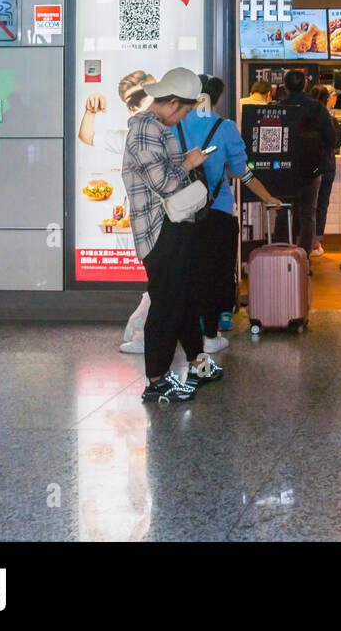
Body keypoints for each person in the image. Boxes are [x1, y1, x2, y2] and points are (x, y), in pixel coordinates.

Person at [122, 67, 221, 403]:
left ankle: (196, 362)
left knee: (183, 297)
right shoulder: (145, 128)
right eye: (186, 111)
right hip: (157, 228)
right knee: (166, 303)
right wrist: (190, 163)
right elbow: (164, 182)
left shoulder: (156, 127)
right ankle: (156, 380)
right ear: (174, 103)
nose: (184, 118)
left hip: (171, 225)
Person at [178, 75, 282, 352]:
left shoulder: (172, 125)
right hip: (217, 211)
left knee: (186, 272)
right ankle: (211, 335)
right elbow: (240, 172)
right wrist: (267, 196)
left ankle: (184, 333)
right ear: (216, 99)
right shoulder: (224, 128)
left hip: (179, 211)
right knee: (216, 272)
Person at [271, 70, 334, 257]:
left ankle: (280, 255)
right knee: (308, 215)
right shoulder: (318, 109)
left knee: (283, 212)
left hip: (283, 170)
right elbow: (331, 140)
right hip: (311, 169)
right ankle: (304, 258)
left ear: (285, 86)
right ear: (305, 85)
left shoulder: (278, 108)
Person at [79, 70, 156, 153]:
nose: (133, 109)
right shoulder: (132, 140)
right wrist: (90, 112)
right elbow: (87, 137)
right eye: (130, 105)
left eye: (138, 99)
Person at [308, 84, 339, 256]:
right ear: (327, 99)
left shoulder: (303, 116)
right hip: (326, 166)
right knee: (321, 204)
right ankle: (315, 243)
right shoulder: (328, 118)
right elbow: (336, 142)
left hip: (306, 166)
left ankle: (303, 241)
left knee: (307, 205)